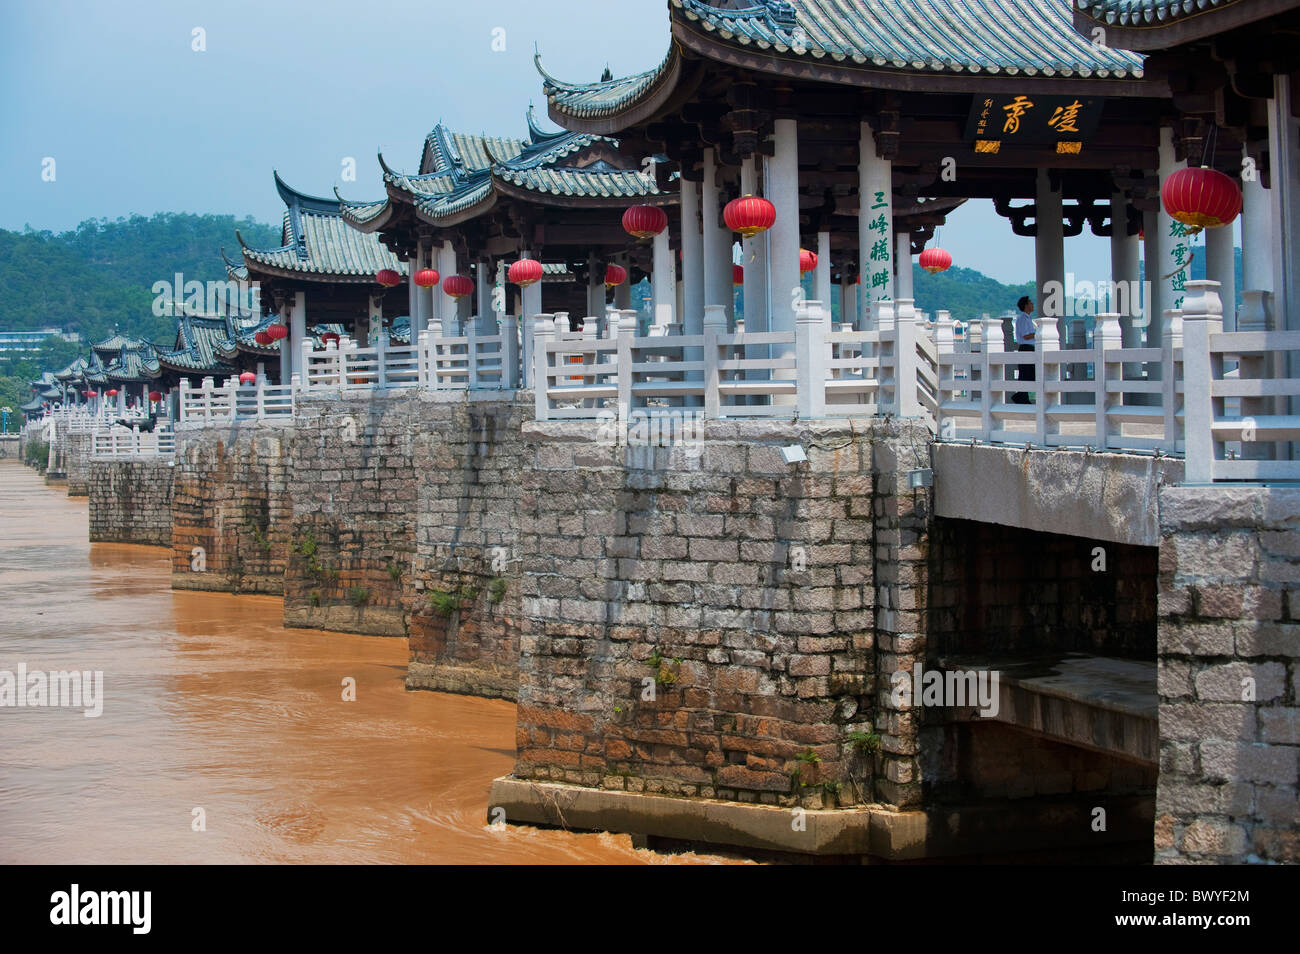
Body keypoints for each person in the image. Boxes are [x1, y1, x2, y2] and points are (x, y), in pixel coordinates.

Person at [1010, 295, 1036, 404]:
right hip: (1026, 347)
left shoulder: (1027, 319)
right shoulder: (1023, 319)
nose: (1032, 305)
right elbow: (1026, 336)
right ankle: (1020, 396)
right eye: (1030, 303)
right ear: (1026, 306)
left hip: (1028, 347)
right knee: (1027, 373)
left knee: (1028, 373)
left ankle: (1022, 396)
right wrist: (1038, 333)